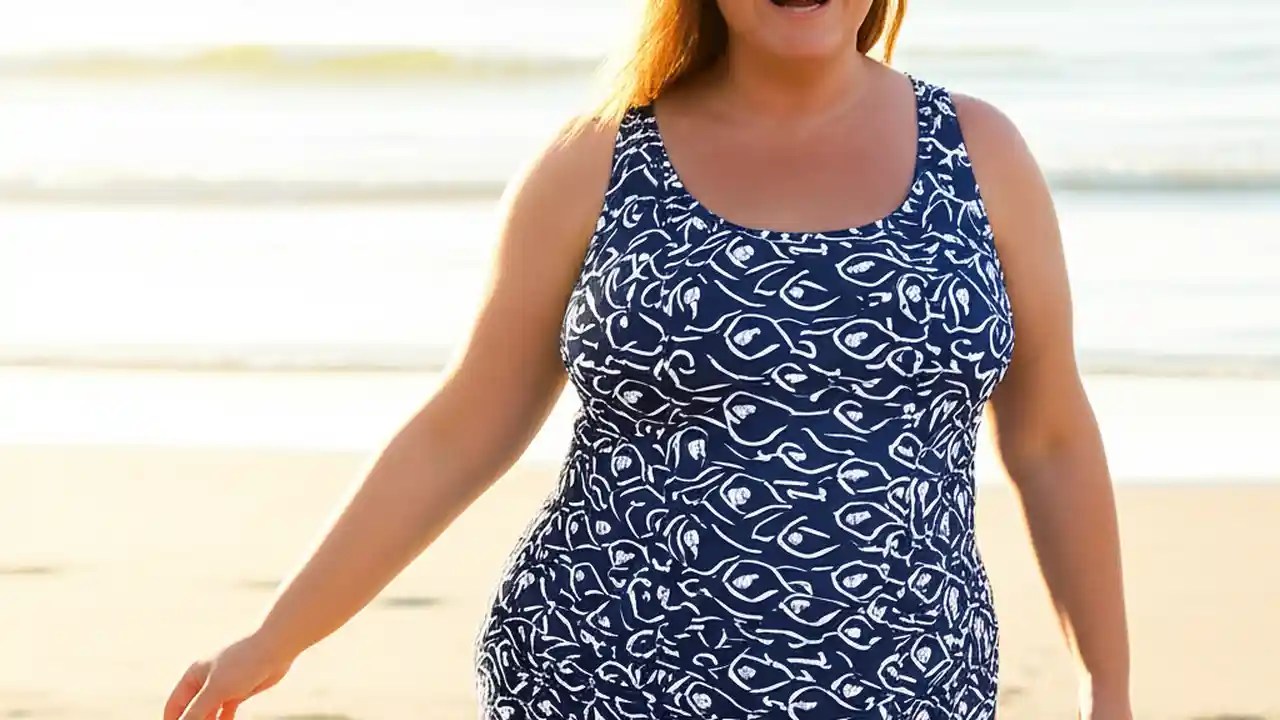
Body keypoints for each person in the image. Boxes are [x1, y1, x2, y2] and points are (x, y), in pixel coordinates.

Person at [163, 1, 1133, 718]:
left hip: (905, 684)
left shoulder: (981, 154)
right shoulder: (596, 157)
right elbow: (462, 429)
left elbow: (1047, 439)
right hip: (604, 676)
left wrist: (1110, 685)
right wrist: (274, 640)